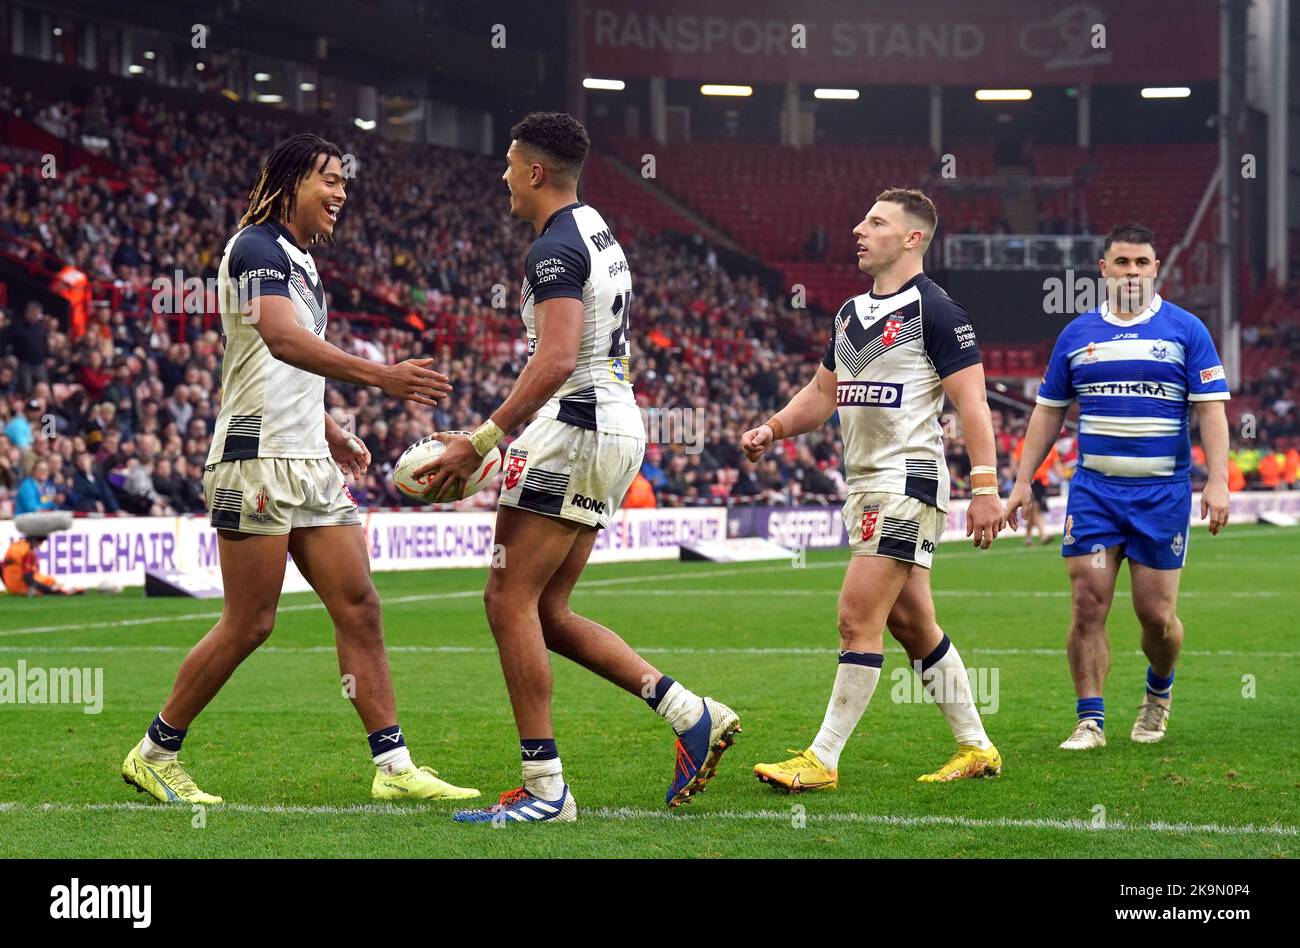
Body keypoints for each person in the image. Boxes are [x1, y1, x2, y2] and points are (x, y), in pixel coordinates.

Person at [120, 133, 479, 805]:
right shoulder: (253, 246)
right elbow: (282, 338)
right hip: (255, 459)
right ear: (290, 183)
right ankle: (154, 752)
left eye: (344, 181)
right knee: (251, 622)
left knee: (360, 606)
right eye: (330, 180)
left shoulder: (303, 262)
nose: (341, 193)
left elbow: (277, 367)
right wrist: (381, 378)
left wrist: (334, 431)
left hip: (308, 461)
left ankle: (395, 768)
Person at [418, 112, 739, 824]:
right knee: (548, 612)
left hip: (579, 419)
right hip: (614, 420)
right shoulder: (595, 227)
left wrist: (484, 437)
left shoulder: (552, 249)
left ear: (535, 171)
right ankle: (691, 713)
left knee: (506, 602)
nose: (502, 175)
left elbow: (559, 356)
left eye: (508, 163)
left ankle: (546, 791)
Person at [746, 188, 1004, 791]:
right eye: (863, 218)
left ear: (913, 238)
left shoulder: (938, 311)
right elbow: (822, 392)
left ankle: (823, 758)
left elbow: (973, 404)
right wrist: (775, 428)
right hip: (865, 485)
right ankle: (977, 747)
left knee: (854, 618)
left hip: (905, 482)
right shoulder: (850, 313)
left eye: (876, 222)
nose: (859, 229)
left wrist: (986, 487)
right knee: (914, 628)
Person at [1005, 222, 1231, 749]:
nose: (1132, 271)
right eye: (1122, 262)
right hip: (1096, 494)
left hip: (1161, 495)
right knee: (1088, 602)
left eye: (1142, 263)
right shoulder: (1078, 335)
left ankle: (1158, 692)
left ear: (1156, 269)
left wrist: (1217, 481)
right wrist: (1021, 482)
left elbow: (1212, 412)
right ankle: (1091, 720)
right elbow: (1047, 415)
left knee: (1156, 618)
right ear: (1103, 270)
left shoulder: (1186, 331)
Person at [2, 533, 81, 596]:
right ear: (35, 541)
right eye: (41, 542)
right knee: (50, 580)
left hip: (11, 585)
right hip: (21, 586)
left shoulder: (14, 546)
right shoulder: (27, 552)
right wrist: (48, 589)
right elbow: (28, 578)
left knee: (47, 580)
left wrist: (8, 586)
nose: (40, 545)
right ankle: (64, 591)